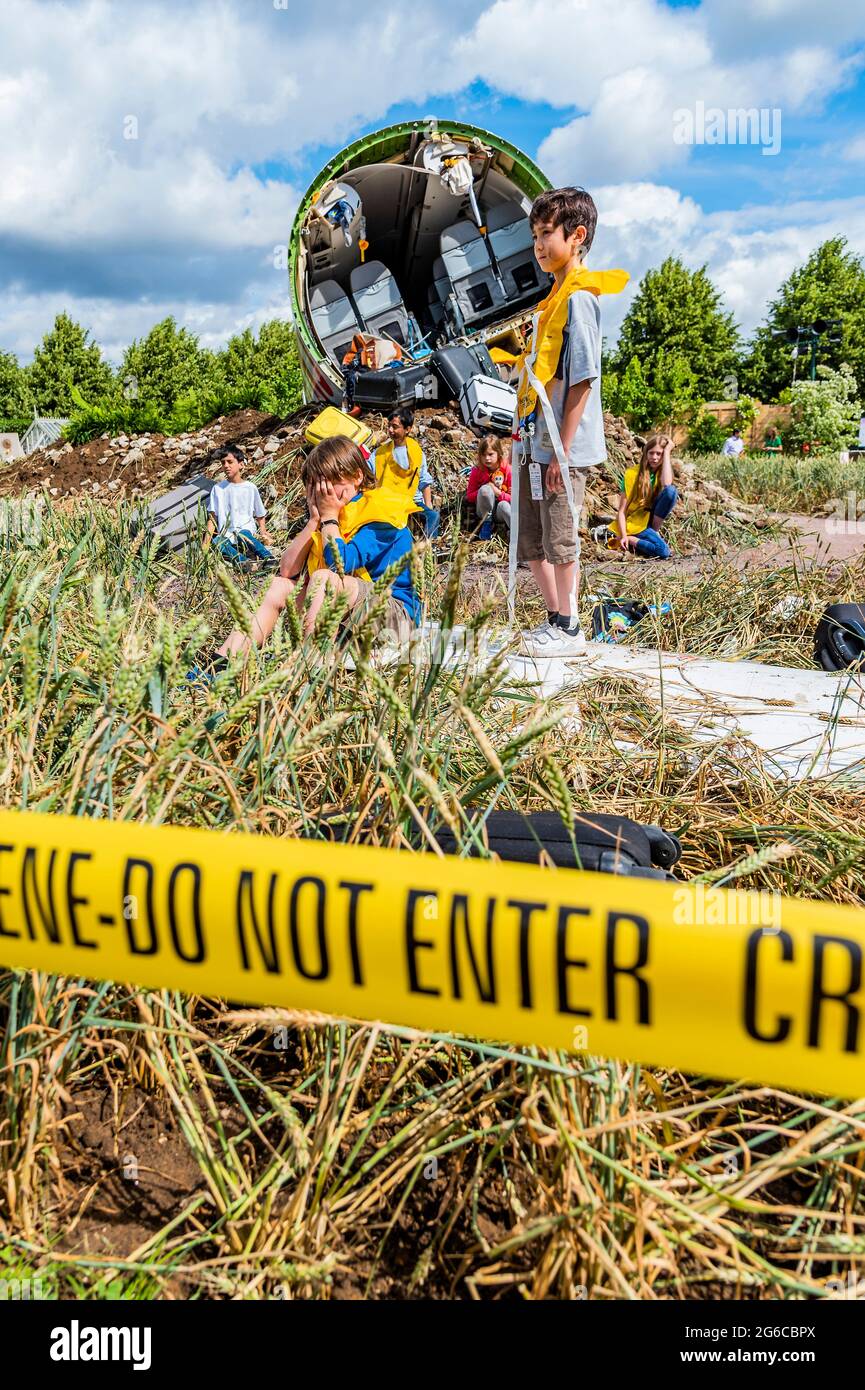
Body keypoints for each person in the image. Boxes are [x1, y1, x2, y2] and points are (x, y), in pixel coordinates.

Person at [513, 186, 629, 656]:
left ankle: (570, 628)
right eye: (535, 235)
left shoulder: (579, 299)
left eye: (546, 234)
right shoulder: (553, 299)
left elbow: (581, 380)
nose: (538, 245)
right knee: (532, 537)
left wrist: (561, 450)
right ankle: (553, 618)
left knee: (561, 535)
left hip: (563, 447)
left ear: (576, 236)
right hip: (535, 441)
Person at [196, 436, 420, 675]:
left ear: (358, 477)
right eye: (317, 486)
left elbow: (340, 564)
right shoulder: (327, 517)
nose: (326, 493)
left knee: (325, 579)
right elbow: (288, 570)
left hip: (394, 619)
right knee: (278, 585)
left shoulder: (379, 511)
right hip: (348, 620)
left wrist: (330, 516)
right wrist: (315, 520)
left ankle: (308, 669)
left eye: (332, 482)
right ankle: (222, 664)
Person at [367, 410, 440, 538]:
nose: (390, 430)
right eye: (389, 426)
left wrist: (428, 505)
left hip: (412, 502)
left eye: (395, 427)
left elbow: (424, 480)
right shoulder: (380, 453)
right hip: (389, 501)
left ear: (407, 429)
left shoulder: (416, 452)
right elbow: (367, 470)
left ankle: (426, 547)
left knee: (433, 517)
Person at [607, 434, 677, 559]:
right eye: (651, 453)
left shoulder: (662, 473)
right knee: (663, 551)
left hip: (650, 519)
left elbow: (667, 484)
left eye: (659, 454)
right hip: (636, 522)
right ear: (645, 453)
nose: (654, 458)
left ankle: (654, 531)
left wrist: (667, 451)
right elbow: (622, 511)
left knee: (671, 491)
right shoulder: (632, 474)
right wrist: (624, 536)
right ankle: (631, 539)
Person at [205, 447, 275, 568]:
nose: (226, 465)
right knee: (217, 542)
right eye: (223, 463)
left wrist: (263, 531)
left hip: (245, 529)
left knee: (244, 535)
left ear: (241, 464)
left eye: (230, 462)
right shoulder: (218, 489)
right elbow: (212, 517)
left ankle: (268, 558)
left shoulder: (250, 487)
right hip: (226, 532)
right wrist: (206, 542)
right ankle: (243, 562)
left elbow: (260, 513)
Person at [466, 435, 512, 539]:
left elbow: (514, 498)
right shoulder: (477, 470)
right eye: (483, 455)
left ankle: (515, 532)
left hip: (500, 511)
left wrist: (498, 493)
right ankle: (486, 524)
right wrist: (485, 489)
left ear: (499, 453)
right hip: (483, 511)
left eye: (491, 454)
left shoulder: (508, 469)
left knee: (505, 506)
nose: (487, 458)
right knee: (485, 490)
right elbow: (469, 496)